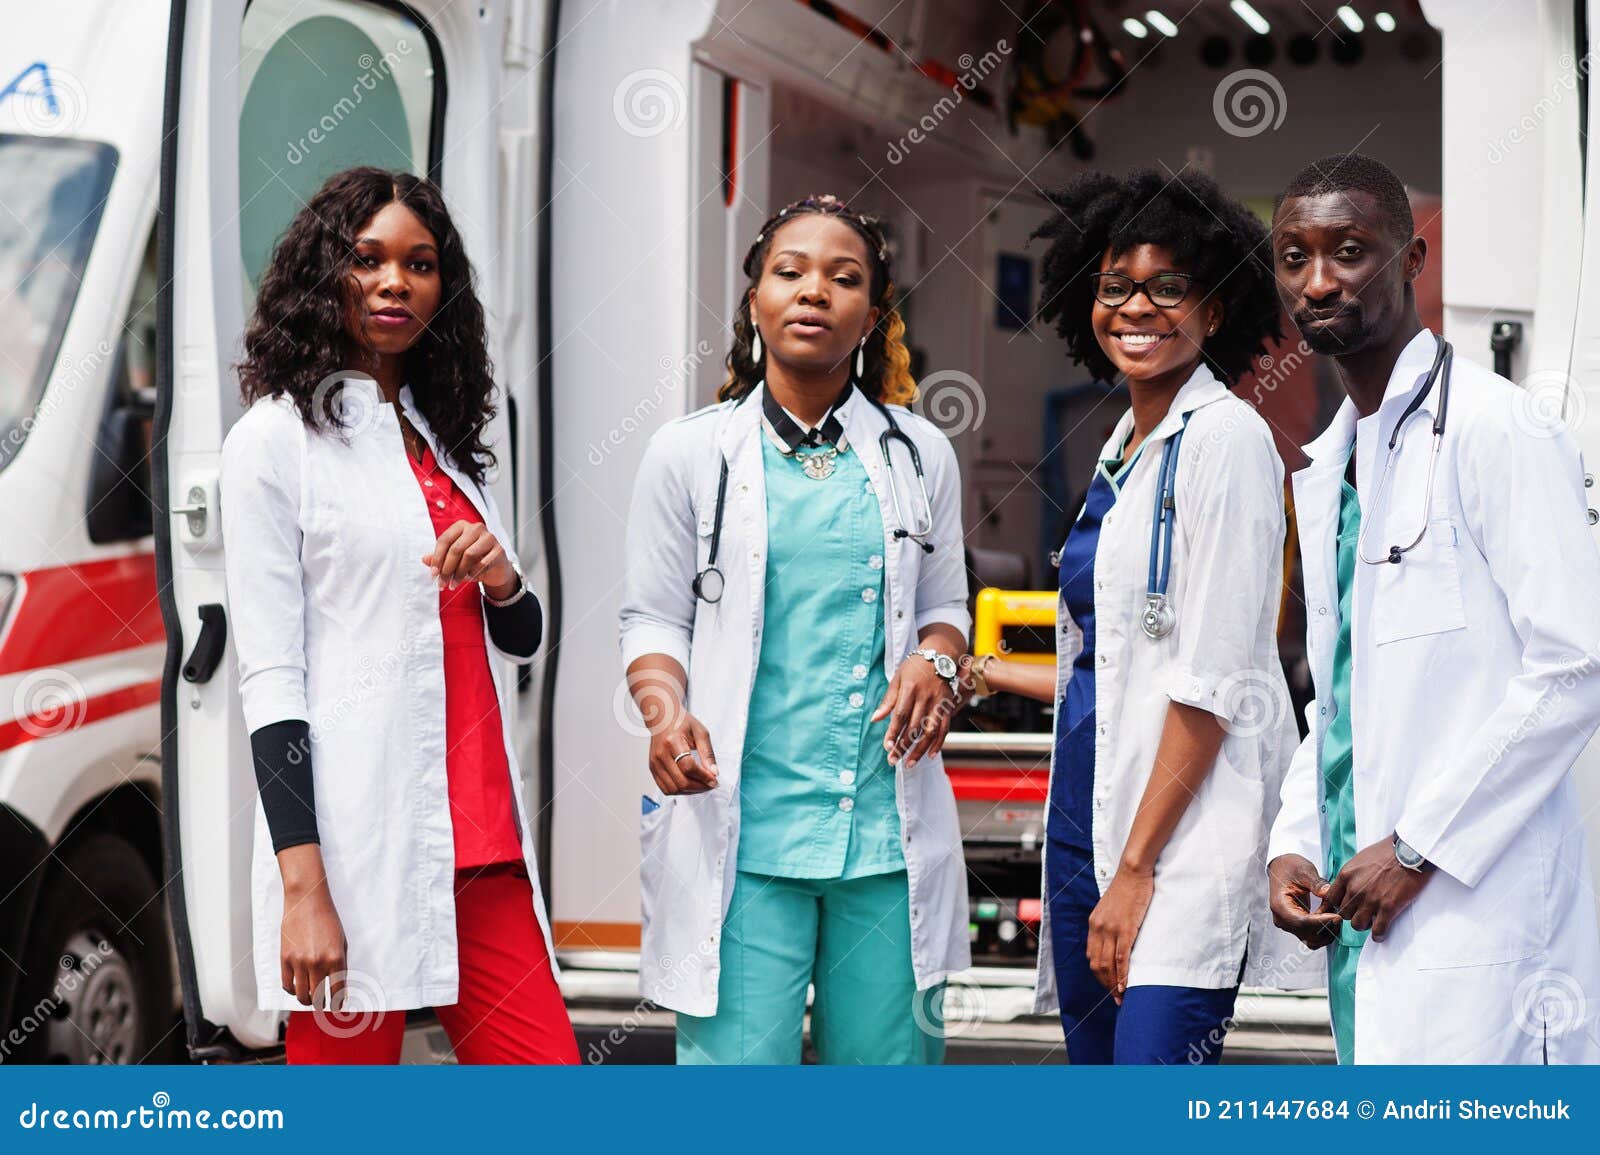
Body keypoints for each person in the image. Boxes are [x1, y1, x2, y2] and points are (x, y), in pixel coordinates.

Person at [220, 167, 578, 1065]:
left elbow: (523, 635)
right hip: (355, 841)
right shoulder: (274, 441)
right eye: (367, 258)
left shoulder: (445, 435)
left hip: (481, 841)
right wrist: (304, 887)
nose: (394, 282)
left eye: (420, 264)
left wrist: (502, 577)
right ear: (322, 272)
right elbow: (272, 678)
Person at [618, 193, 972, 1064]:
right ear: (755, 303)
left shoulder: (920, 452)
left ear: (873, 316)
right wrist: (665, 714)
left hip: (884, 838)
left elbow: (947, 607)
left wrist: (935, 660)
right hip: (743, 836)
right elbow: (652, 616)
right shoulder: (688, 453)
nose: (815, 291)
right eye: (791, 272)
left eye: (844, 278)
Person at [975, 169, 1314, 1064]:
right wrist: (983, 670)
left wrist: (1134, 871)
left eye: (1168, 287)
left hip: (1174, 841)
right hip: (1085, 822)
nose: (1136, 306)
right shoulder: (1122, 444)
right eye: (1116, 285)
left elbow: (1211, 678)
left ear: (1215, 309)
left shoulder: (1227, 440)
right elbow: (1115, 660)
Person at [1266, 153, 1600, 1063]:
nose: (1318, 281)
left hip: (1476, 921)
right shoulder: (1330, 464)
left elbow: (1576, 665)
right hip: (1358, 915)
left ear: (1411, 260)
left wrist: (1419, 846)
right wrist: (1295, 839)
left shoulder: (1501, 428)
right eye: (1294, 257)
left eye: (1348, 251)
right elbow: (1337, 698)